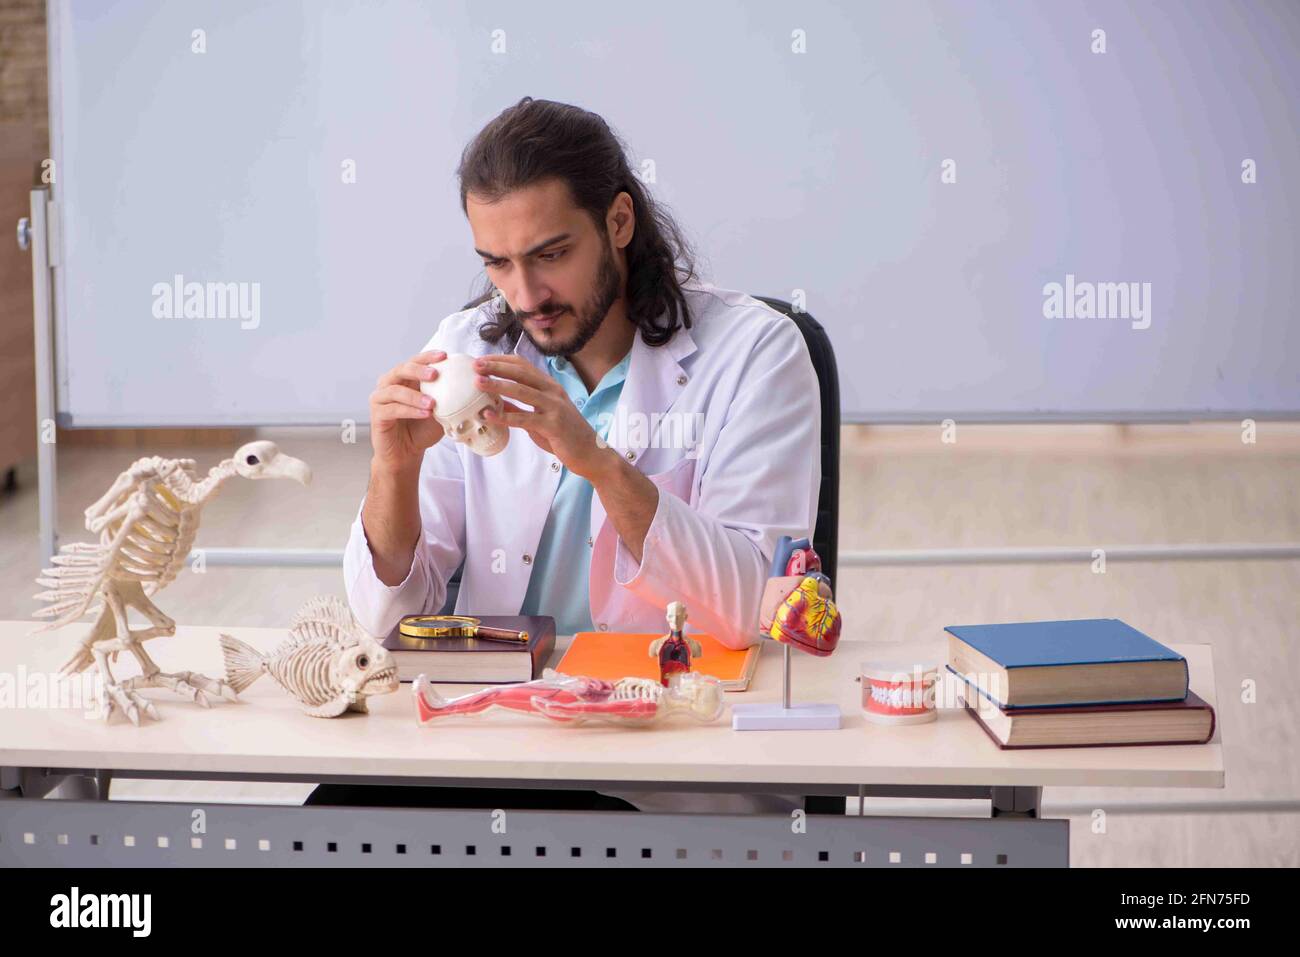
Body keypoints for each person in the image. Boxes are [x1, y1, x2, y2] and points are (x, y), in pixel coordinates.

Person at [306, 97, 821, 815]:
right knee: (336, 816)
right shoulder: (470, 349)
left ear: (618, 221)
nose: (526, 295)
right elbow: (390, 616)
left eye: (551, 256)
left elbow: (750, 606)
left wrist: (599, 462)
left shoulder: (756, 354)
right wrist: (393, 468)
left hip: (662, 757)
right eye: (498, 264)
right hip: (496, 742)